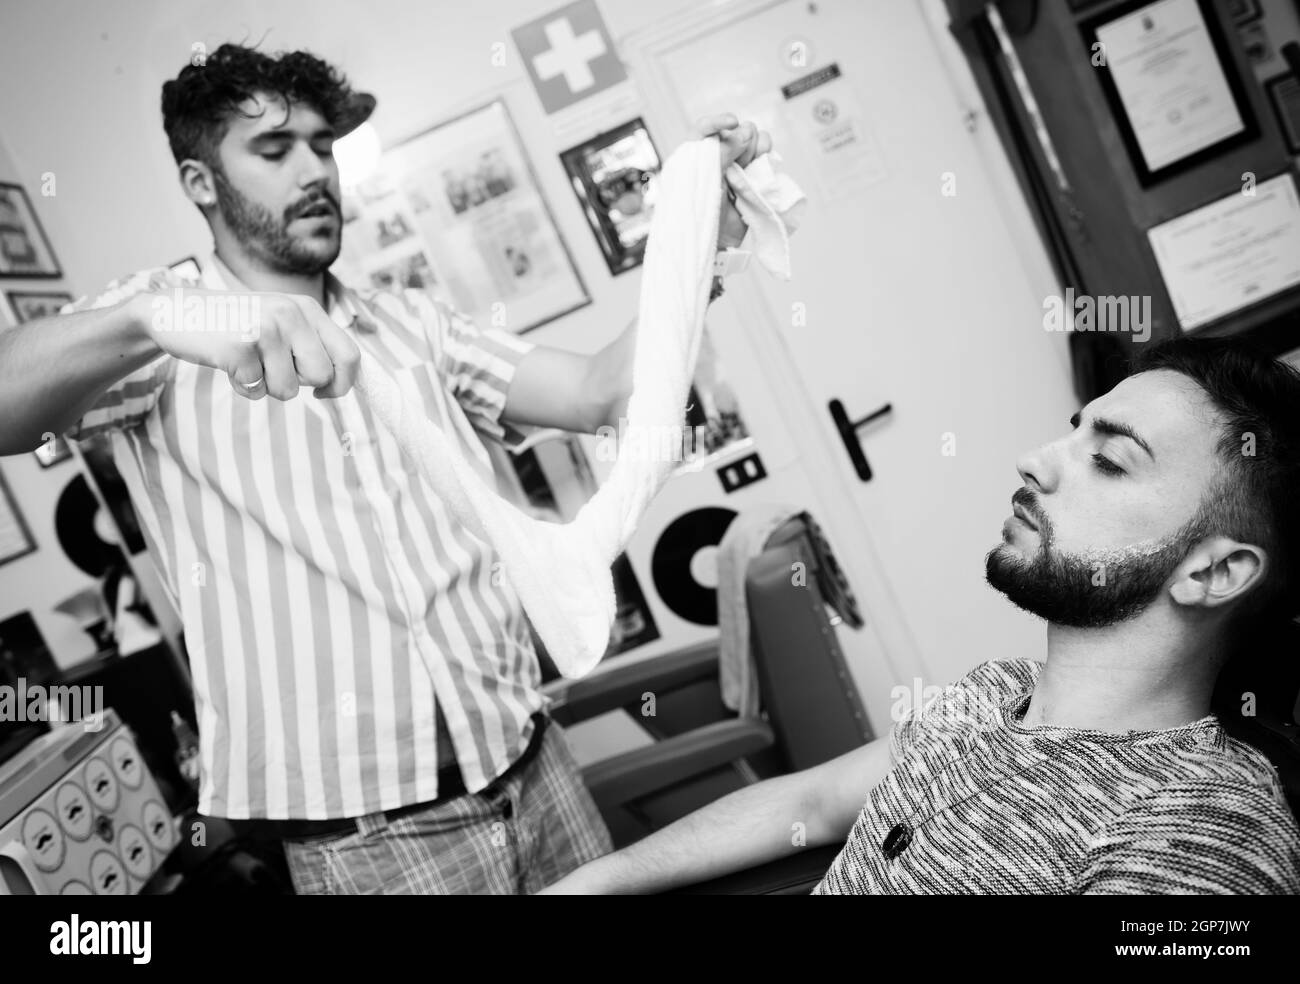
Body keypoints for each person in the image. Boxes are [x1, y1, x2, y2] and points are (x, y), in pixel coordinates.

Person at [0, 42, 770, 894]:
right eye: (274, 148)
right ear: (199, 182)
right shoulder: (163, 333)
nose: (312, 171)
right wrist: (150, 318)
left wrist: (707, 242)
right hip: (366, 841)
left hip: (535, 770)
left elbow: (596, 391)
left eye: (322, 145)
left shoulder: (411, 324)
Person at [540, 337, 1300, 894]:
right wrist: (600, 881)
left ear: (1216, 571)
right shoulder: (990, 694)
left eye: (1109, 460)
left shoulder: (1202, 833)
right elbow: (811, 802)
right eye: (1073, 432)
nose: (1037, 461)